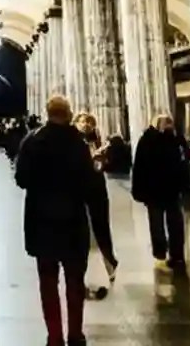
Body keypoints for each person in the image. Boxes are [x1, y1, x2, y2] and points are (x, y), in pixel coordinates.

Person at [15, 95, 100, 346]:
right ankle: (75, 334)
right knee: (75, 282)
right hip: (73, 222)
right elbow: (89, 184)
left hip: (42, 223)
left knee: (48, 283)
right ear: (69, 112)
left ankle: (54, 336)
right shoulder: (78, 143)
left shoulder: (33, 141)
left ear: (47, 113)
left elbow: (21, 179)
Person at [131, 113, 190, 269]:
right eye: (166, 123)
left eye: (170, 122)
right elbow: (139, 166)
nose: (169, 125)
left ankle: (176, 255)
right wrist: (138, 189)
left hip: (171, 189)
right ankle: (160, 251)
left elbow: (184, 161)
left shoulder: (177, 140)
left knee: (175, 224)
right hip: (154, 190)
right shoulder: (148, 140)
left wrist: (184, 184)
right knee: (157, 223)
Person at [75, 112, 117, 299]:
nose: (86, 125)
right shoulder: (74, 143)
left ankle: (108, 264)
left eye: (89, 122)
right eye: (83, 121)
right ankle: (86, 272)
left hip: (98, 190)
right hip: (81, 191)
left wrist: (102, 159)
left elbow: (102, 167)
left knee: (101, 228)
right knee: (85, 233)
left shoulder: (96, 140)